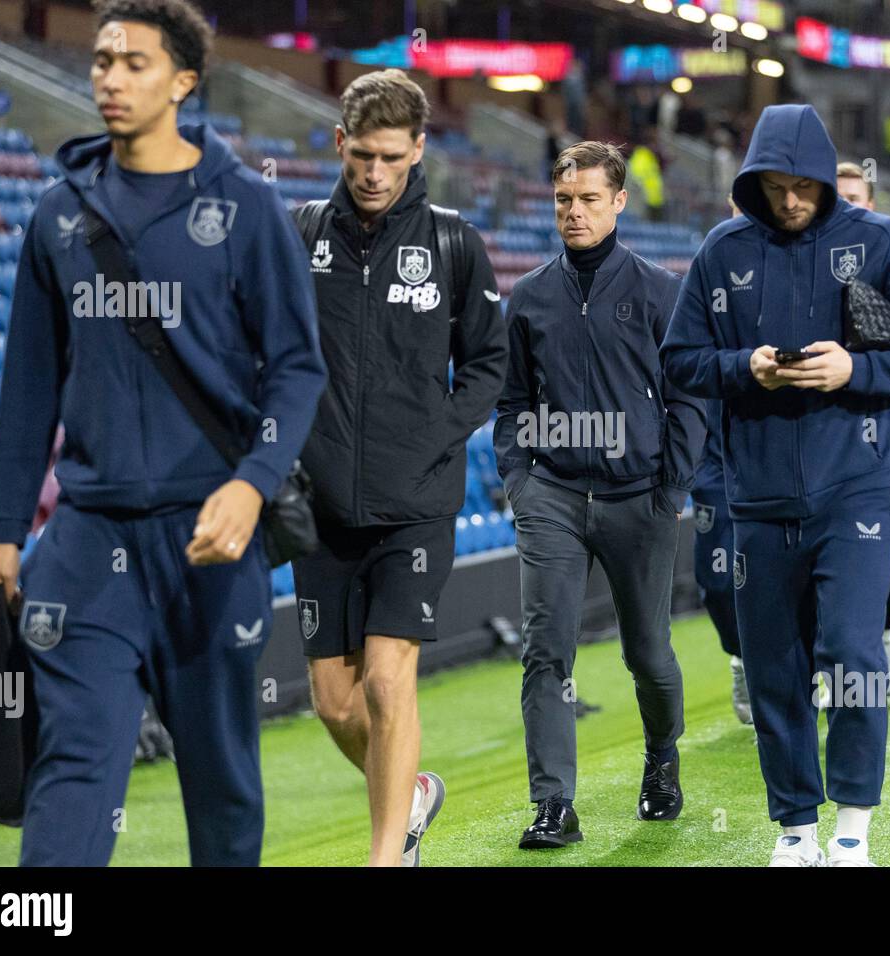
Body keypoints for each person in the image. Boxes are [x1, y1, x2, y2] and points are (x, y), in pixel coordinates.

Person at [0, 0, 328, 866]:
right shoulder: (57, 216)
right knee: (75, 765)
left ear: (184, 81)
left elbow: (296, 368)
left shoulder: (245, 208)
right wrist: (6, 535)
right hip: (88, 541)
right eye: (101, 61)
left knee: (221, 785)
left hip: (208, 536)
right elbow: (26, 389)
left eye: (134, 63)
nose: (111, 77)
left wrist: (252, 481)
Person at [661, 105, 890, 866]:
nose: (790, 200)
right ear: (753, 181)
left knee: (855, 656)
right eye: (774, 185)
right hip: (757, 498)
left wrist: (855, 370)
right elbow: (679, 361)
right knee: (774, 670)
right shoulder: (720, 251)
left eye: (803, 186)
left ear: (828, 178)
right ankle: (795, 832)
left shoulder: (879, 240)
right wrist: (748, 368)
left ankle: (853, 832)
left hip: (858, 489)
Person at [289, 69, 508, 866]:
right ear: (340, 144)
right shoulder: (301, 233)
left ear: (418, 150)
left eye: (391, 157)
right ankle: (412, 795)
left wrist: (435, 433)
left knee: (387, 681)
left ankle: (388, 860)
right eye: (362, 157)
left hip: (415, 501)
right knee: (334, 701)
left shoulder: (453, 243)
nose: (374, 174)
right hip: (318, 507)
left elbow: (490, 363)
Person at [494, 141, 705, 849]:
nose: (574, 212)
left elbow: (689, 398)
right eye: (563, 200)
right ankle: (554, 803)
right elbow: (511, 403)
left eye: (588, 199)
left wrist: (670, 488)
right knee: (545, 652)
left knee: (648, 652)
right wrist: (520, 481)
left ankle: (661, 755)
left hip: (637, 497)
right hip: (551, 494)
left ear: (619, 202)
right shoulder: (526, 298)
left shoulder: (659, 292)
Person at [836, 161, 890, 699]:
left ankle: (885, 632)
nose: (846, 206)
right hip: (828, 431)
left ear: (872, 203)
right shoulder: (804, 263)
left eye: (855, 197)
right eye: (837, 197)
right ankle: (839, 660)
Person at [692, 195, 750, 724]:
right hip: (715, 461)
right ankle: (740, 657)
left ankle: (800, 671)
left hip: (779, 454)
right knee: (715, 580)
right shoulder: (708, 266)